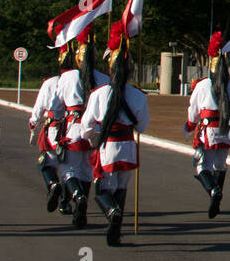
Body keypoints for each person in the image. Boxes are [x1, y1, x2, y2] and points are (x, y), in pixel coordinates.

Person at [82, 21, 150, 246]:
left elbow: (86, 125)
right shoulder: (139, 96)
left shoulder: (99, 94)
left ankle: (112, 213)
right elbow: (142, 127)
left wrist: (92, 138)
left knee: (102, 190)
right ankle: (115, 232)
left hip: (108, 147)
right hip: (128, 148)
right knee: (121, 188)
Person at [51, 25, 109, 228]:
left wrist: (55, 123)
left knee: (68, 170)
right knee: (86, 171)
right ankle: (80, 211)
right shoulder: (105, 79)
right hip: (95, 131)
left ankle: (77, 197)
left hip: (74, 128)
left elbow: (56, 106)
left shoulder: (67, 77)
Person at [186, 31, 230, 218]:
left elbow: (193, 110)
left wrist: (190, 124)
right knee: (220, 164)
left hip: (208, 130)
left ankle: (213, 191)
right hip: (227, 128)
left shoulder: (202, 86)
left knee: (202, 166)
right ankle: (217, 196)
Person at [28, 42, 72, 215]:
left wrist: (33, 124)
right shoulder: (81, 82)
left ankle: (53, 184)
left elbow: (39, 108)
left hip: (54, 128)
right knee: (70, 167)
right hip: (73, 128)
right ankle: (65, 203)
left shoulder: (51, 83)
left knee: (47, 162)